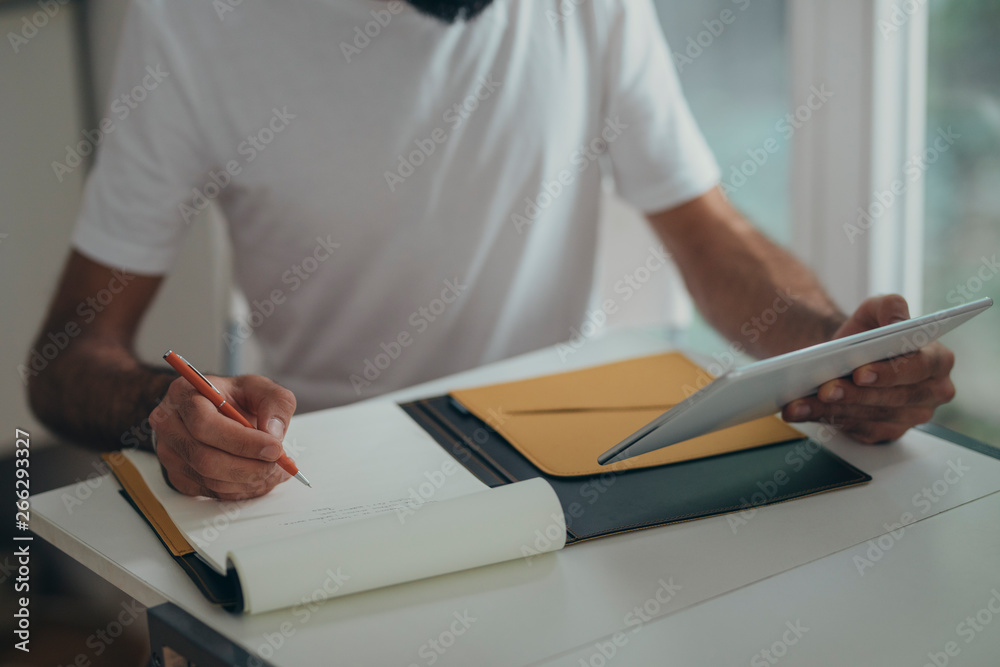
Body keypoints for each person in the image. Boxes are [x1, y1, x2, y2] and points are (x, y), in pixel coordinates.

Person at [27, 0, 955, 500]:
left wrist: (838, 356)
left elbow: (712, 235)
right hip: (334, 473)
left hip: (582, 454)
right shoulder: (191, 23)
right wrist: (163, 407)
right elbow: (67, 359)